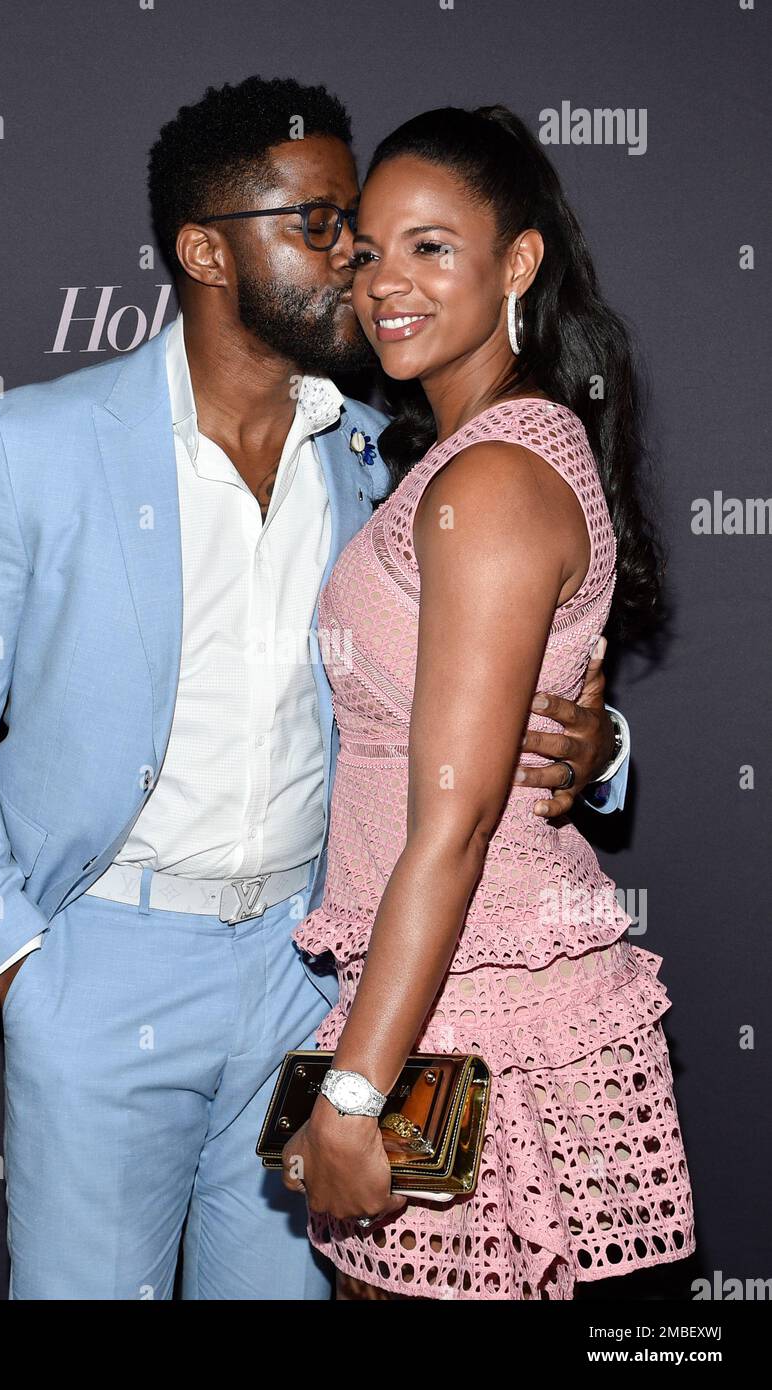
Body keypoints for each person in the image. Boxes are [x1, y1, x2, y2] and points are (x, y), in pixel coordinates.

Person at [0, 79, 629, 1301]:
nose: (357, 262)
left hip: (314, 973)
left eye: (373, 232)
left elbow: (454, 683)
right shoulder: (37, 447)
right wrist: (21, 963)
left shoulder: (380, 455)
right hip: (104, 960)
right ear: (204, 250)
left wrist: (595, 745)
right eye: (325, 224)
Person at [286, 104, 695, 1301]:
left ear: (518, 262)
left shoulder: (496, 478)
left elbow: (453, 828)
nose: (383, 284)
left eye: (430, 246)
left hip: (486, 1024)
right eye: (367, 251)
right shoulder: (471, 456)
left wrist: (356, 1094)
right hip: (436, 1004)